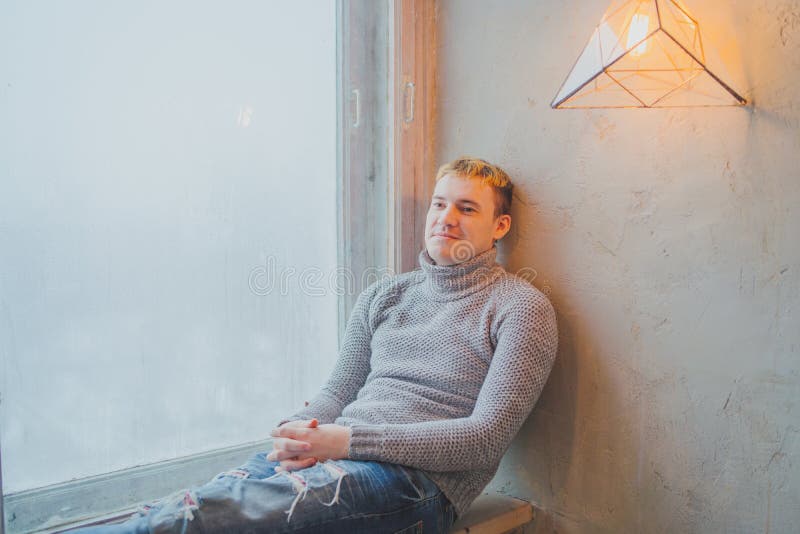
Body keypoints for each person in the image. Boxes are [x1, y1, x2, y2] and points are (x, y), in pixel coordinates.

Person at [72, 157, 558, 533]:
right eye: (439, 203)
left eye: (466, 208)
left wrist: (344, 441)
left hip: (418, 485)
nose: (446, 218)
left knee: (202, 521)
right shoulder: (386, 295)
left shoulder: (520, 308)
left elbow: (483, 440)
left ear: (500, 226)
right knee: (192, 505)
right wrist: (299, 431)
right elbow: (337, 391)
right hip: (337, 453)